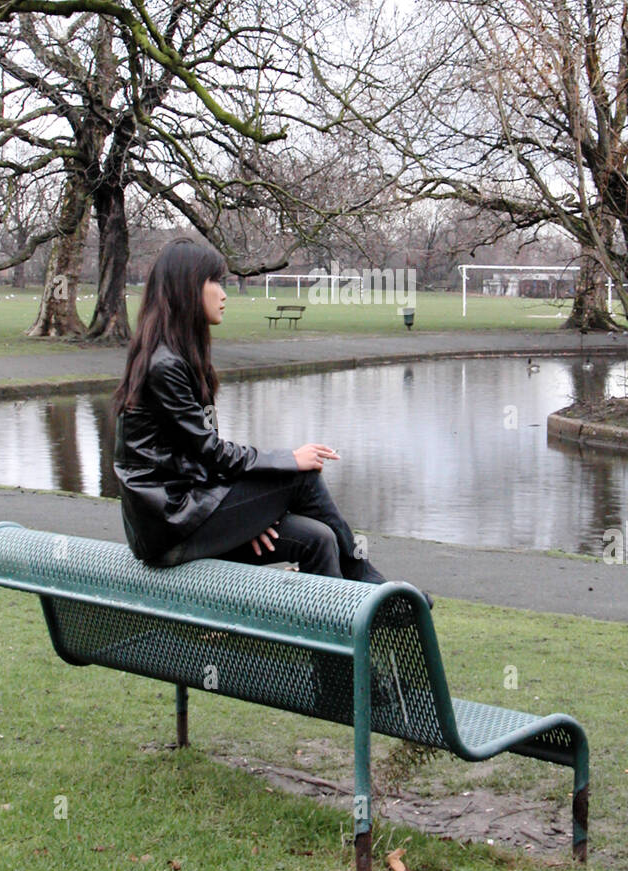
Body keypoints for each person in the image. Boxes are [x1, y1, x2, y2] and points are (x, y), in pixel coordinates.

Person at [112, 239, 427, 600]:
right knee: (301, 475)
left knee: (318, 539)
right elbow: (211, 453)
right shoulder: (165, 366)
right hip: (172, 529)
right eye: (215, 282)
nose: (224, 294)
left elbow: (198, 459)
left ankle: (339, 629)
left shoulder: (177, 358)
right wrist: (287, 460)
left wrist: (246, 516)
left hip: (186, 519)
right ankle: (367, 580)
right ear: (187, 287)